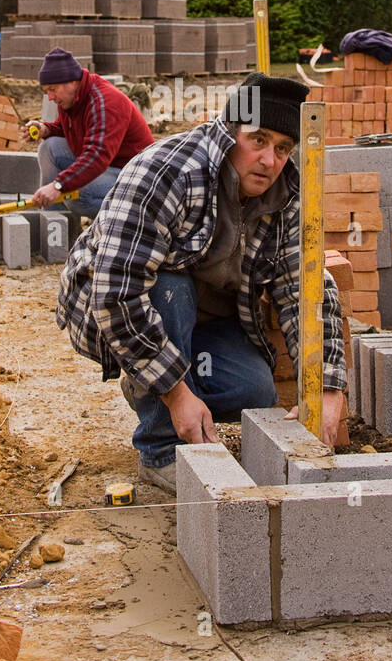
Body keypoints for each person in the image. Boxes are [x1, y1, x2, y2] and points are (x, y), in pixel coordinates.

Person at [55, 73, 348, 494]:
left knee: (253, 389)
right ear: (229, 132)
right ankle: (161, 448)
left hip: (205, 321)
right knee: (173, 286)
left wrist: (328, 387)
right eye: (259, 140)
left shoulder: (286, 193)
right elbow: (116, 292)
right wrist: (175, 395)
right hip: (121, 306)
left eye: (283, 148)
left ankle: (150, 379)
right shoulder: (166, 171)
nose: (270, 160)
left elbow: (305, 289)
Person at [25, 48, 154, 218]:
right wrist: (46, 129)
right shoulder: (72, 100)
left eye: (52, 89)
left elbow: (97, 156)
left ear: (71, 82)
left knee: (75, 194)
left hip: (136, 176)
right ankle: (54, 225)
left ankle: (136, 218)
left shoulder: (105, 103)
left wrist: (58, 185)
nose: (50, 96)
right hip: (108, 167)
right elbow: (65, 129)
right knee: (49, 147)